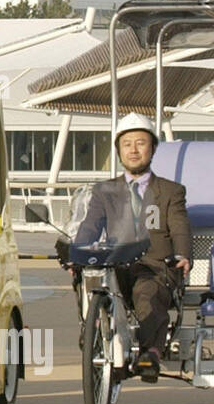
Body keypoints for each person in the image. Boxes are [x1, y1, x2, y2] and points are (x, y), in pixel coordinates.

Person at [75, 112, 192, 383]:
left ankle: (151, 352)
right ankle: (94, 333)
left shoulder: (171, 191)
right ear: (118, 150)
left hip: (155, 267)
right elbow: (91, 226)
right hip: (116, 263)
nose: (134, 150)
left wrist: (183, 255)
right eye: (127, 144)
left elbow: (180, 227)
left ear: (152, 148)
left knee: (146, 292)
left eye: (141, 143)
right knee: (92, 281)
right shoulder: (105, 191)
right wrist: (78, 253)